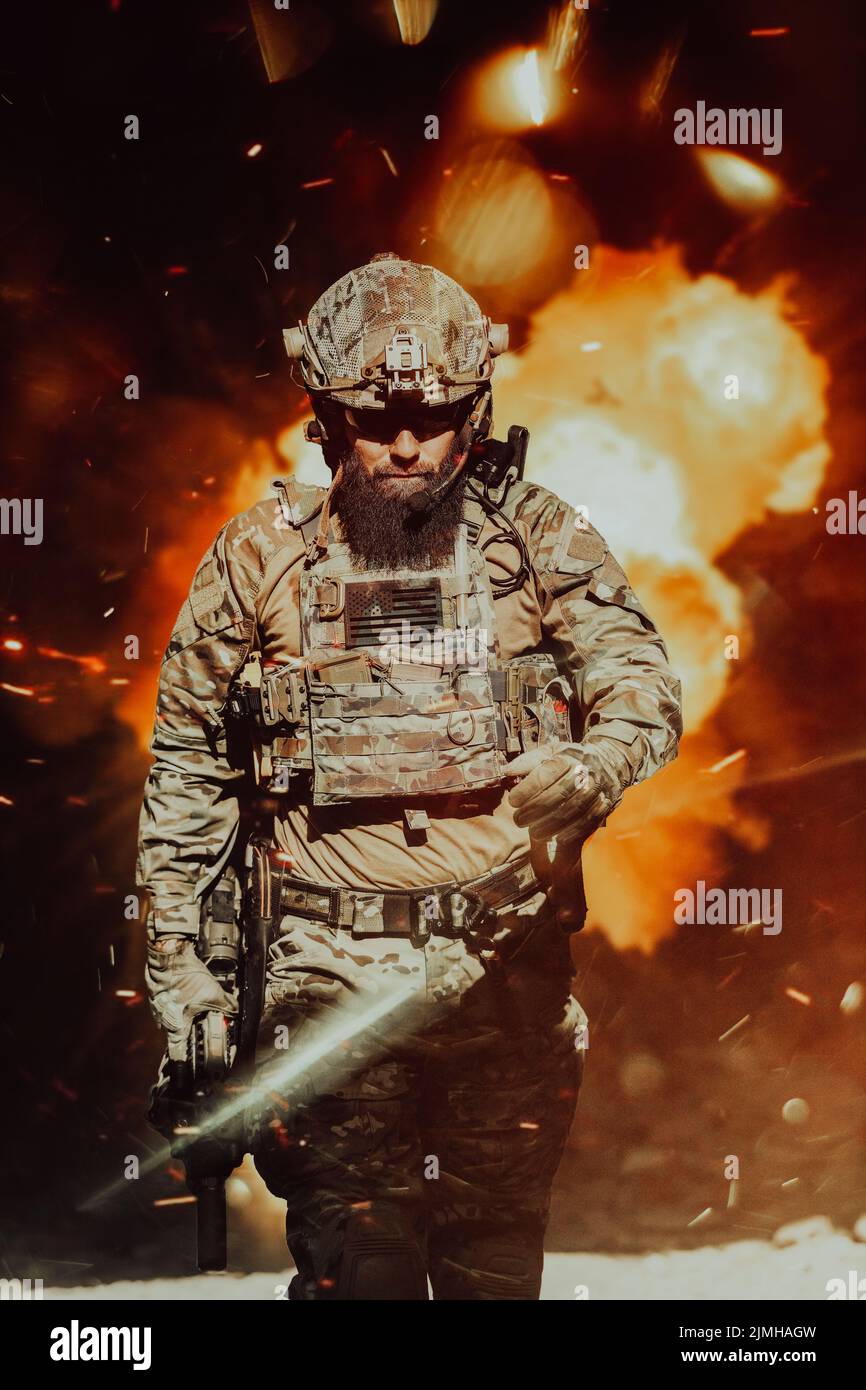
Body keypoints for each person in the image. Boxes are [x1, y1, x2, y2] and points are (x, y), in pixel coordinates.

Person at [139, 252, 682, 1299]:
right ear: (324, 415)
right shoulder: (260, 557)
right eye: (373, 418)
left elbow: (641, 684)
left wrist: (592, 762)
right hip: (322, 981)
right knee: (363, 1269)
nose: (402, 442)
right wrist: (185, 978)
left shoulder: (537, 538)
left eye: (431, 416)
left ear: (474, 410)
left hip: (503, 973)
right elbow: (189, 774)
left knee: (491, 1270)